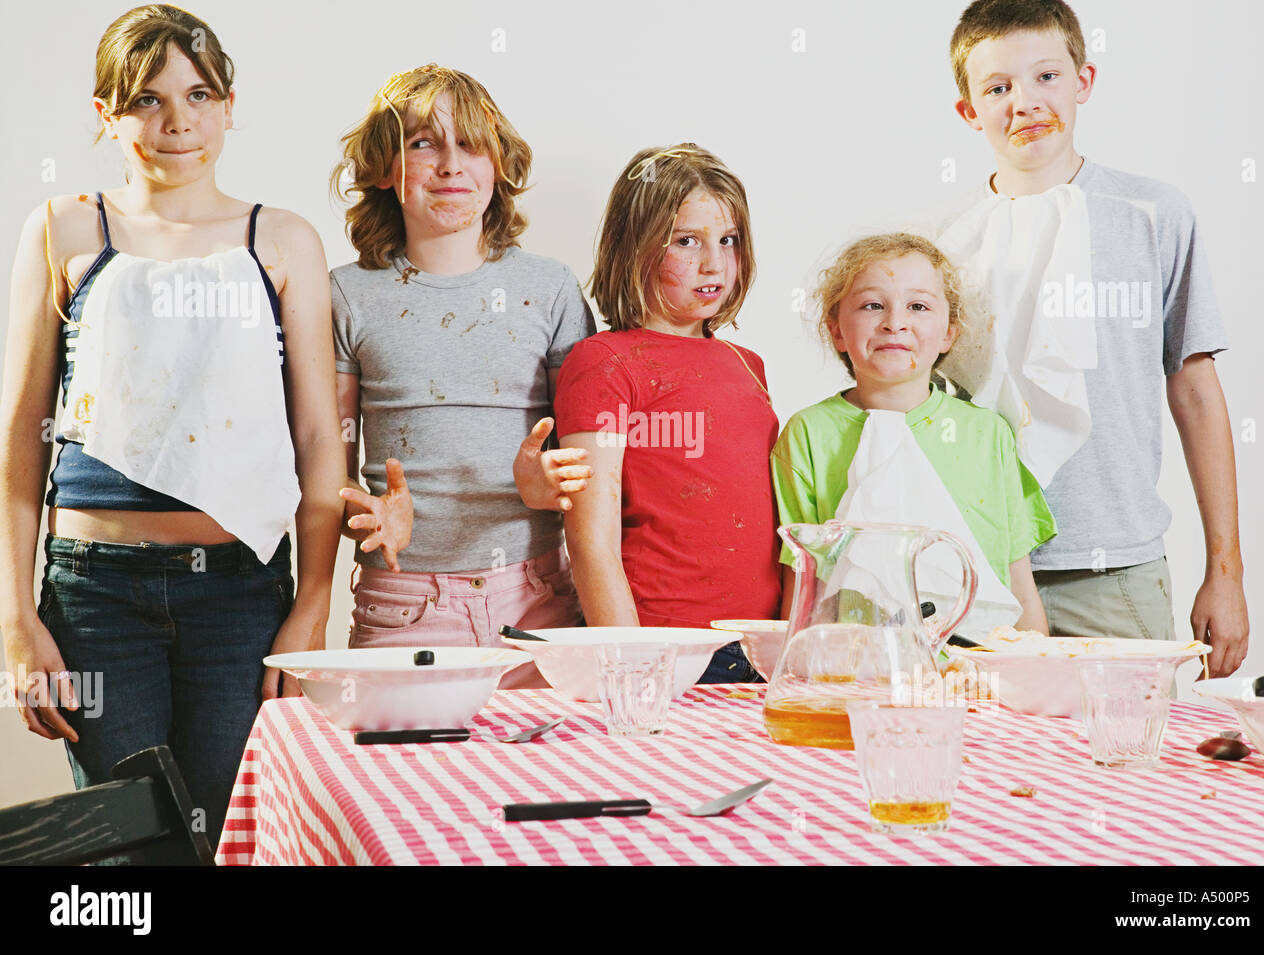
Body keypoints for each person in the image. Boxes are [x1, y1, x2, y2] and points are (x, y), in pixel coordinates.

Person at [0, 4, 344, 840]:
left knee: (230, 830)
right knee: (131, 839)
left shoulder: (283, 239)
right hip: (93, 593)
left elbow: (317, 441)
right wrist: (17, 620)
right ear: (105, 115)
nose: (177, 121)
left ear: (229, 104)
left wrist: (312, 606)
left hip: (240, 595)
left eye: (199, 94)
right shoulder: (63, 229)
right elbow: (19, 440)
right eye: (146, 100)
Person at [940, 0, 1247, 674]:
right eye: (998, 88)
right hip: (982, 571)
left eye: (1046, 76)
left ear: (1084, 81)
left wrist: (1225, 570)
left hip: (1120, 568)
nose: (1025, 102)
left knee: (1132, 768)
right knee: (994, 776)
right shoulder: (945, 248)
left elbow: (1195, 390)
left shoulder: (1153, 214)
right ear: (969, 110)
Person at [330, 65, 594, 685]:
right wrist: (363, 516)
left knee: (549, 779)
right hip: (405, 606)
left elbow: (585, 463)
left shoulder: (551, 289)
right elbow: (330, 471)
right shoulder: (346, 293)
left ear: (498, 165)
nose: (450, 165)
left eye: (470, 144)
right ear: (385, 167)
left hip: (539, 601)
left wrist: (547, 482)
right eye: (423, 143)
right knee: (407, 780)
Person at [554, 144, 780, 683]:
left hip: (760, 647)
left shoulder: (748, 364)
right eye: (686, 242)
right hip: (665, 650)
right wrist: (633, 667)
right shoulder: (602, 362)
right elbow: (591, 540)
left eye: (728, 241)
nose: (714, 263)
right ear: (635, 249)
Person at [772, 234, 1054, 632]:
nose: (895, 323)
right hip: (855, 667)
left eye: (918, 306)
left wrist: (1035, 671)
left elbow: (1019, 585)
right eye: (873, 305)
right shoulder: (809, 434)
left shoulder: (986, 433)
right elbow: (803, 589)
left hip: (978, 665)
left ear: (949, 334)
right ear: (836, 329)